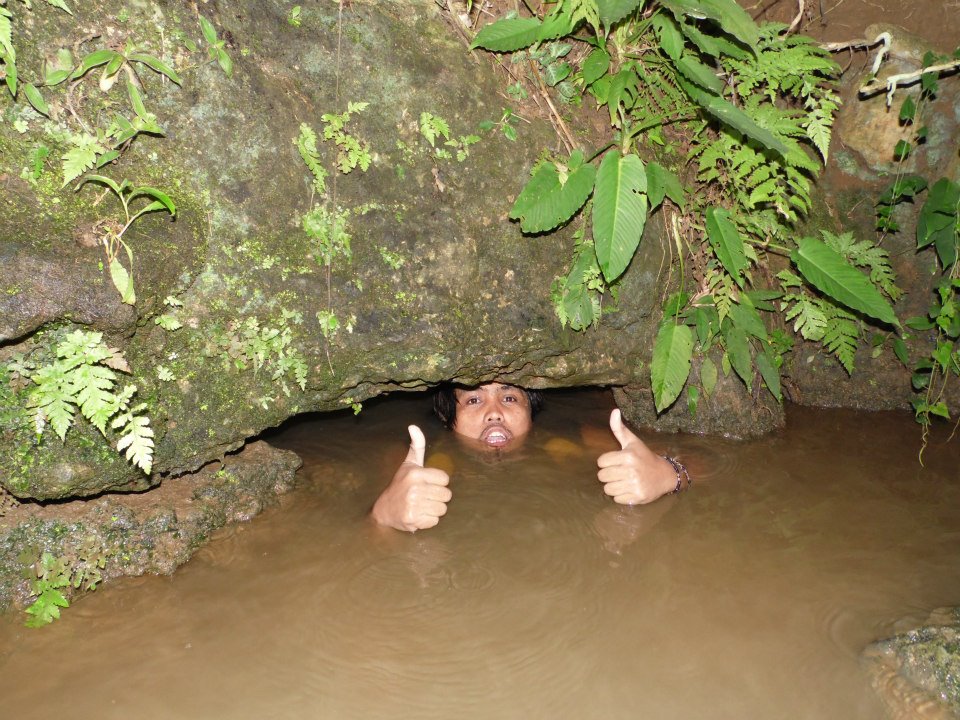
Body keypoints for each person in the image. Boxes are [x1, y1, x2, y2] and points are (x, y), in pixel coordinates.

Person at [370, 382, 690, 533]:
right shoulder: (414, 466)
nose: (494, 413)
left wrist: (666, 475)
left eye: (509, 398)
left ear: (531, 414)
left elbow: (707, 466)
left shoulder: (578, 441)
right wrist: (382, 516)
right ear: (449, 420)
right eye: (473, 400)